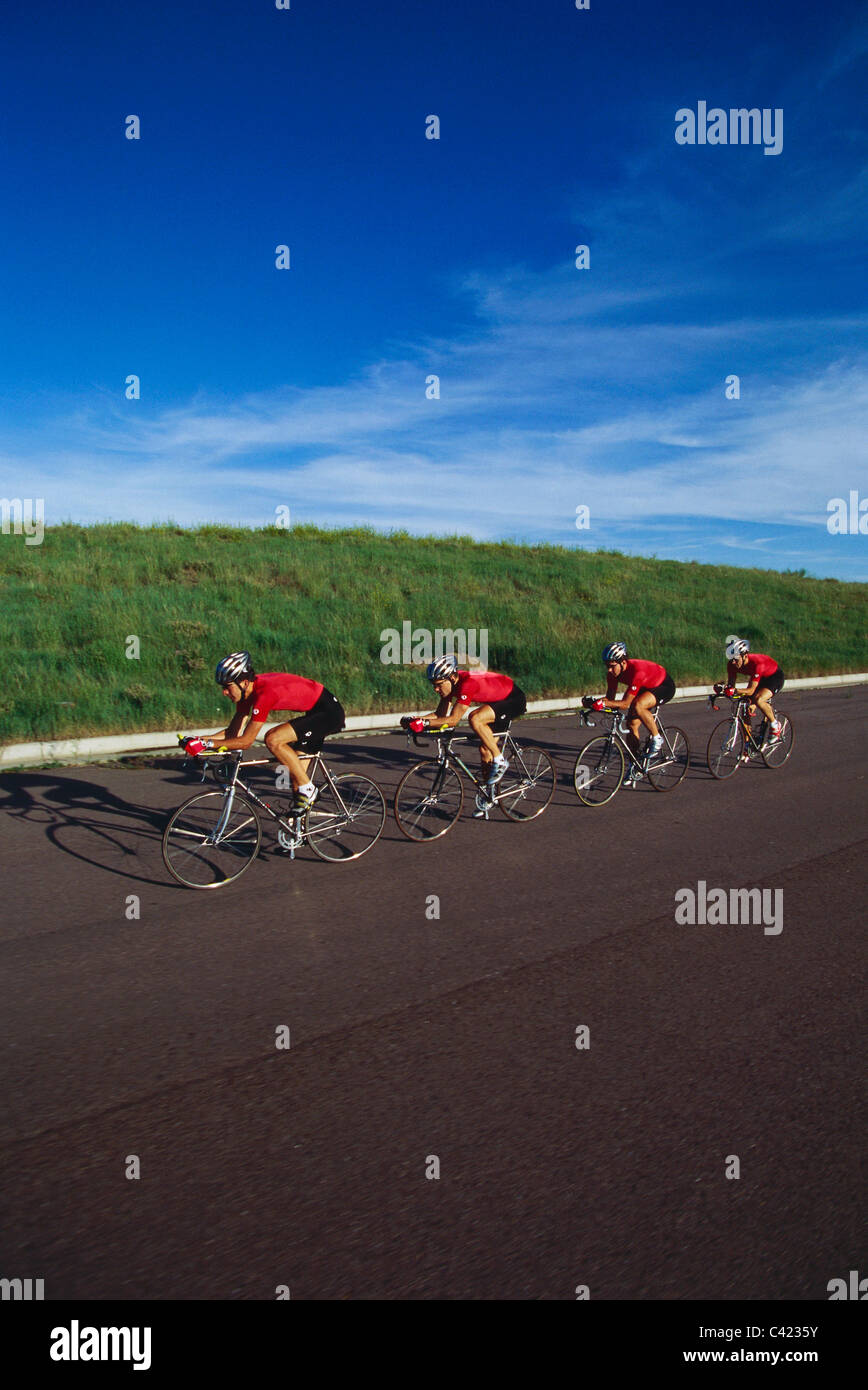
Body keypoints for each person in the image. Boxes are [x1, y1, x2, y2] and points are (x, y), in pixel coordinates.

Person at [181, 651, 345, 813]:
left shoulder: (264, 694)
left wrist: (208, 744)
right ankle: (299, 834)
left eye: (227, 687)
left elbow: (246, 741)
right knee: (297, 780)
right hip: (314, 712)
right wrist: (199, 740)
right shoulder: (246, 694)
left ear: (244, 683)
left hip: (329, 713)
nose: (224, 692)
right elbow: (233, 733)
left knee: (273, 739)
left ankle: (310, 791)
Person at [401, 654, 527, 800]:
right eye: (433, 684)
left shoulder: (467, 684)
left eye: (439, 684)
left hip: (513, 699)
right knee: (485, 750)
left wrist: (424, 724)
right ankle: (489, 796)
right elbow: (440, 714)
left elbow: (453, 720)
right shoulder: (450, 685)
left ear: (452, 678)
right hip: (498, 701)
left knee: (475, 717)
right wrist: (415, 720)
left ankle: (500, 760)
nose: (436, 689)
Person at [586, 642, 676, 785]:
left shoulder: (636, 671)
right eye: (607, 666)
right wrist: (593, 703)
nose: (609, 670)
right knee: (631, 724)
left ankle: (657, 738)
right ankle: (634, 766)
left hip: (663, 685)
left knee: (638, 705)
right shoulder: (612, 674)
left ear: (622, 662)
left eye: (612, 665)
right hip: (645, 686)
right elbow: (610, 699)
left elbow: (626, 703)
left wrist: (604, 703)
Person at [714, 637, 785, 744]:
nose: (733, 662)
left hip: (774, 678)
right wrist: (722, 688)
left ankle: (775, 724)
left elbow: (751, 691)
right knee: (745, 709)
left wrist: (735, 690)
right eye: (731, 659)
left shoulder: (757, 664)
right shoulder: (732, 664)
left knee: (759, 699)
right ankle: (747, 746)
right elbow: (731, 686)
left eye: (736, 659)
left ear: (745, 656)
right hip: (758, 678)